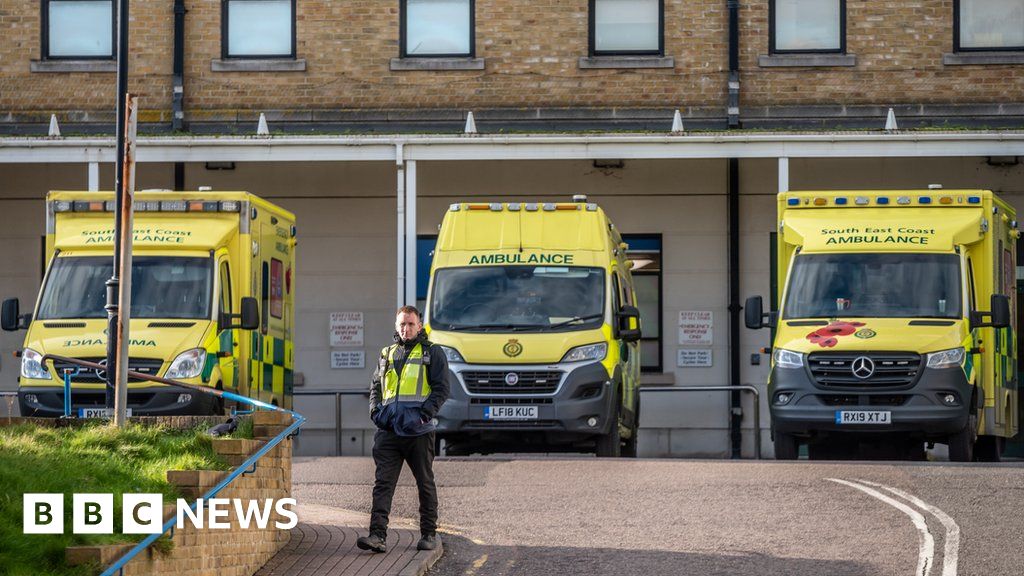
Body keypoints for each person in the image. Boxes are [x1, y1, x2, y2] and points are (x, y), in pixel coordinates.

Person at [357, 305, 451, 554]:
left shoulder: (432, 352)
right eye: (402, 324)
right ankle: (377, 536)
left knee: (425, 483)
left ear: (419, 326)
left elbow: (442, 389)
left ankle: (429, 535)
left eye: (410, 324)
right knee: (383, 484)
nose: (406, 329)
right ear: (396, 326)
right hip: (389, 431)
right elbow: (376, 387)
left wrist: (422, 416)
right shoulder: (387, 353)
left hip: (418, 432)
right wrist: (376, 413)